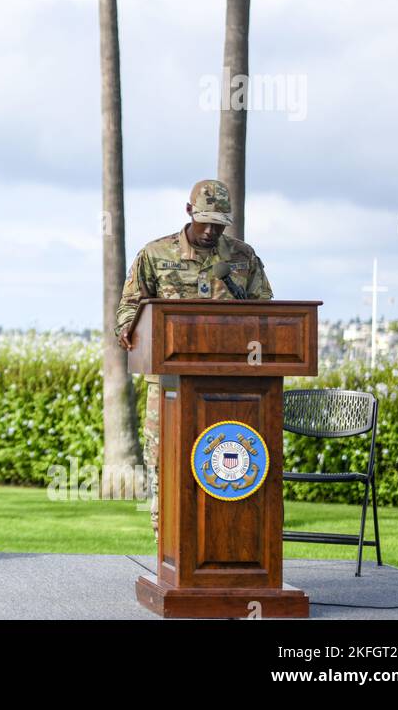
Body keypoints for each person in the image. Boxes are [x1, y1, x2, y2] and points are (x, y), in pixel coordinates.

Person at [115, 179, 273, 541]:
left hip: (230, 386)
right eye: (205, 222)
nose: (211, 230)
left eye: (219, 223)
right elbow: (130, 305)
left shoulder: (242, 257)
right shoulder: (156, 254)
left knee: (224, 458)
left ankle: (225, 541)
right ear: (189, 212)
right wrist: (127, 328)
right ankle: (167, 543)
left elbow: (266, 309)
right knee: (166, 460)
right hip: (169, 383)